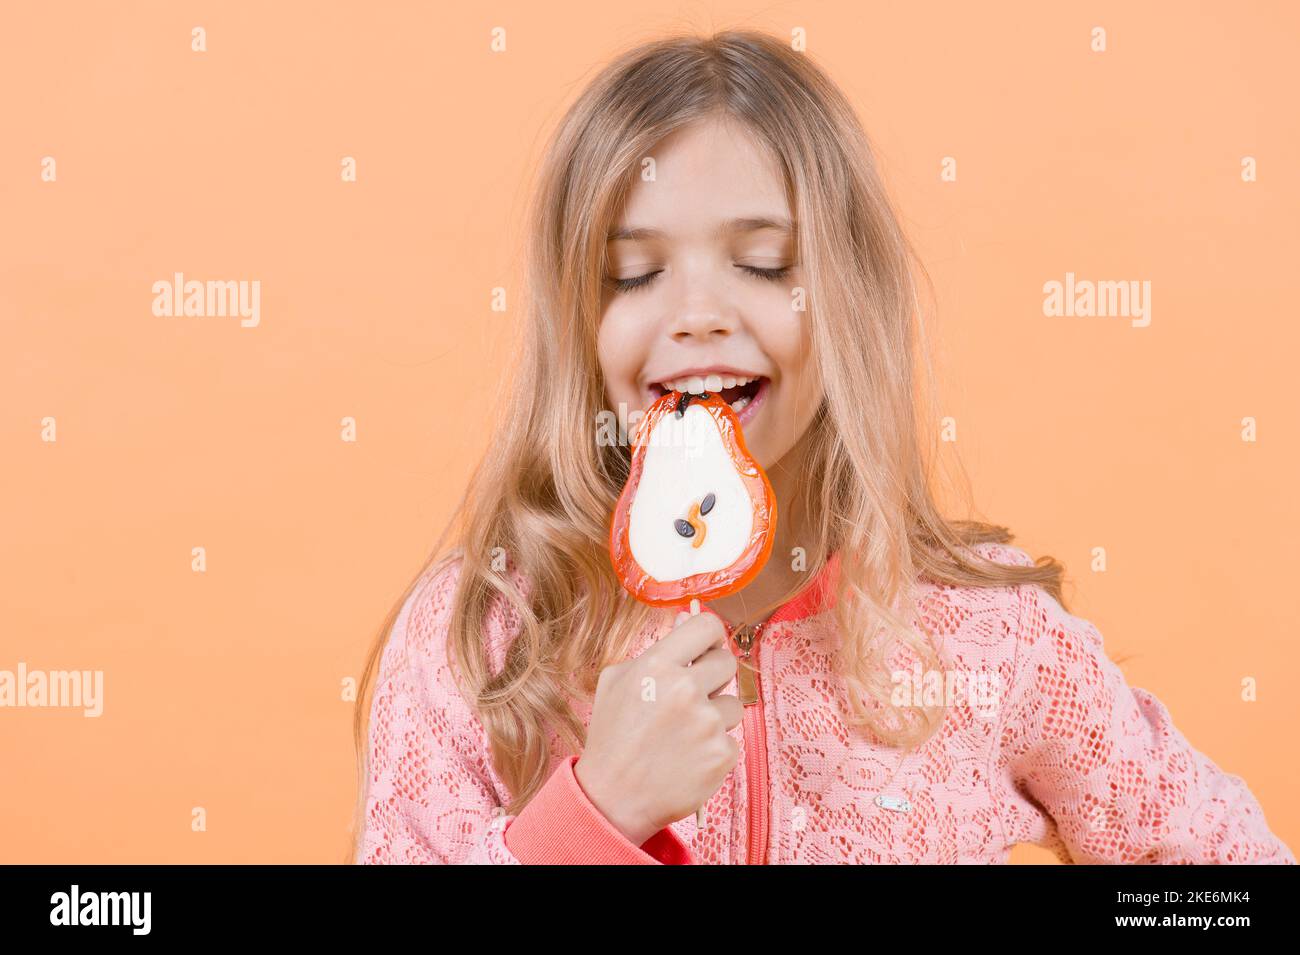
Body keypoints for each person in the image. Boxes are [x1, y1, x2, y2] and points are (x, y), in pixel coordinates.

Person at [350, 30, 1293, 865]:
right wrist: (599, 813)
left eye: (762, 264)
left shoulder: (990, 639)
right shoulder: (482, 635)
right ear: (582, 325)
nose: (697, 317)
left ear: (847, 301)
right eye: (633, 275)